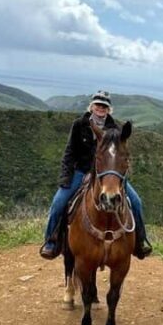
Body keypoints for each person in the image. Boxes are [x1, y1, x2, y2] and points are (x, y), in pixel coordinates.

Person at [40, 91, 152, 260]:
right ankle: (51, 242)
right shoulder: (79, 125)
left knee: (136, 202)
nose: (101, 108)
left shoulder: (114, 129)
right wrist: (65, 179)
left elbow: (119, 155)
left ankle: (140, 242)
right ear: (92, 106)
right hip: (81, 171)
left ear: (109, 109)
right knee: (58, 202)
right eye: (98, 105)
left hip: (107, 174)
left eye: (104, 106)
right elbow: (69, 153)